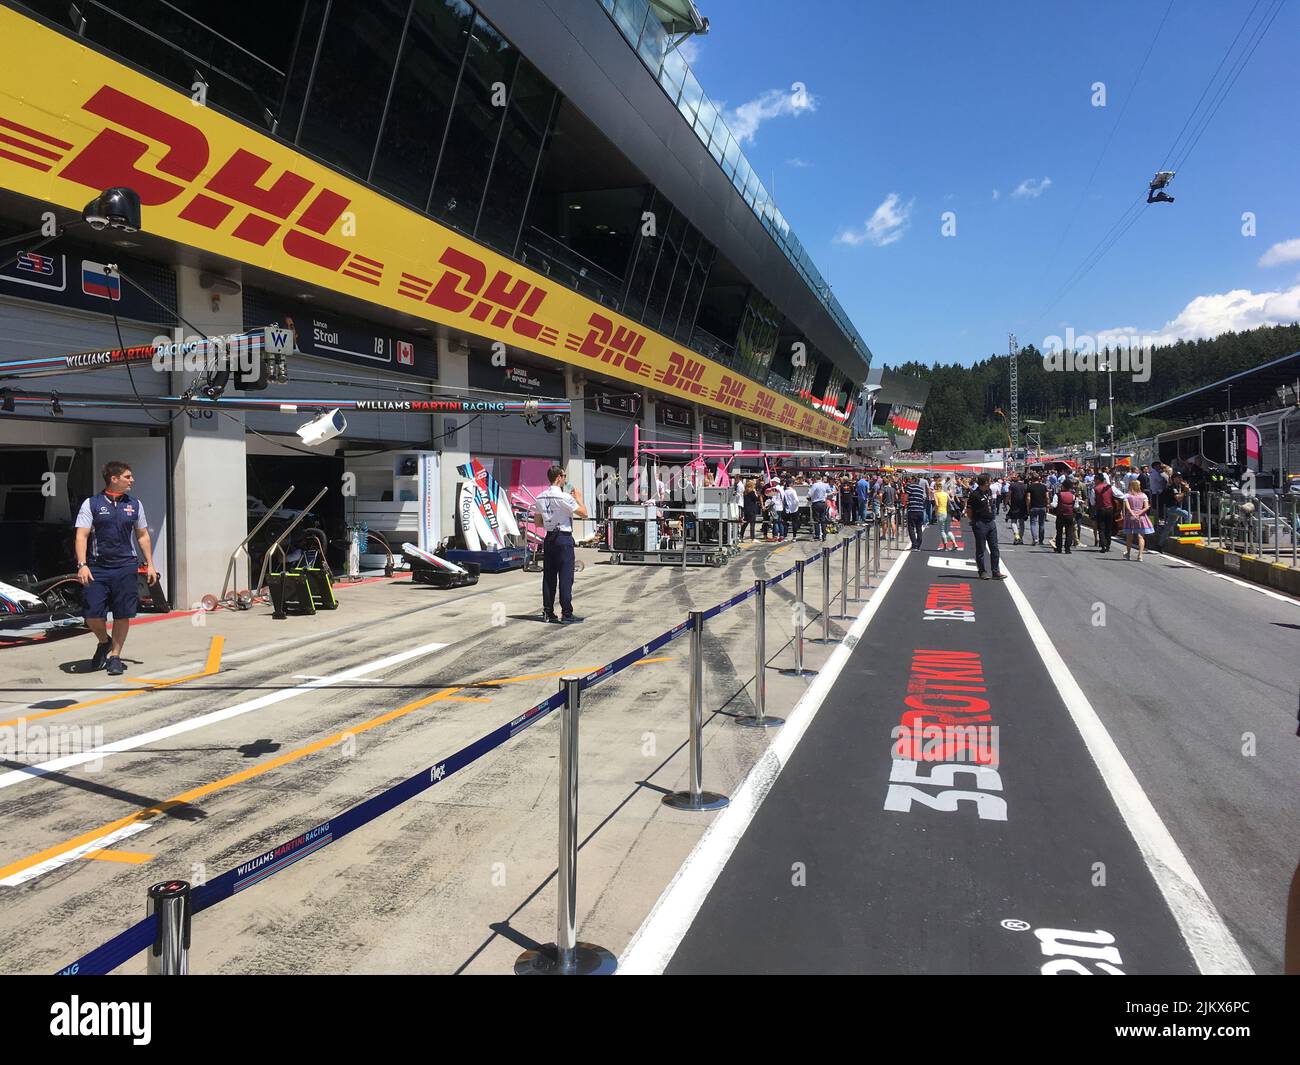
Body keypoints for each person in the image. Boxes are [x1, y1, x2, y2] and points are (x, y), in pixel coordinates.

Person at [75, 460, 158, 675]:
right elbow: (81, 536)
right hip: (97, 568)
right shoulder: (91, 504)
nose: (132, 480)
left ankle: (115, 656)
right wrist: (82, 564)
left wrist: (150, 564)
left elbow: (142, 535)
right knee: (92, 614)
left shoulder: (135, 504)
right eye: (127, 477)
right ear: (114, 479)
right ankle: (104, 642)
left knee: (122, 614)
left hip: (125, 567)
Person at [535, 464, 587, 623]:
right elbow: (584, 514)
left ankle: (548, 612)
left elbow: (538, 522)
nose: (565, 479)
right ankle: (567, 613)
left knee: (549, 577)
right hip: (563, 538)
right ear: (558, 478)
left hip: (549, 537)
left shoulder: (540, 497)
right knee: (565, 576)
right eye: (564, 476)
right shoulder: (565, 497)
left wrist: (551, 521)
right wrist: (578, 497)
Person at [966, 474, 1006, 579]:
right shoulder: (975, 495)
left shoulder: (988, 491)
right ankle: (982, 571)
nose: (991, 482)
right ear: (985, 482)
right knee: (981, 549)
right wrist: (973, 521)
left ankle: (996, 571)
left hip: (990, 522)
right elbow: (969, 510)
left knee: (994, 548)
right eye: (989, 481)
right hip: (980, 523)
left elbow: (991, 503)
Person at [1157, 472, 1192, 550]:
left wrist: (1186, 488)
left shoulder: (1179, 486)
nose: (1180, 479)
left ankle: (1160, 545)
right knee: (1188, 515)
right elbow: (1178, 498)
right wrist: (1185, 491)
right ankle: (1186, 533)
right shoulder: (1172, 487)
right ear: (1173, 479)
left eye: (1180, 477)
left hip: (1175, 508)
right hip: (1171, 508)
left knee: (1168, 528)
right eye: (1177, 477)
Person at [1122, 477, 1154, 561]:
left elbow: (1128, 508)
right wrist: (1139, 513)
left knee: (1129, 536)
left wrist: (1133, 513)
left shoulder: (1127, 495)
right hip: (1141, 516)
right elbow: (1146, 507)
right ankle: (1140, 555)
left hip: (1131, 517)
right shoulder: (1143, 495)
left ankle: (1128, 554)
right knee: (1141, 536)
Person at [1052, 477, 1077, 554]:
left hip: (1060, 515)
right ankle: (1067, 549)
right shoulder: (1073, 495)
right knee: (1069, 532)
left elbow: (1054, 505)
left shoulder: (1058, 495)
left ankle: (1059, 548)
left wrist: (1049, 505)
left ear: (1063, 486)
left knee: (1059, 532)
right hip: (1069, 515)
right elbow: (1076, 506)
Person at [1092, 472, 1115, 553]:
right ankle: (1108, 544)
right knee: (1108, 528)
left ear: (1098, 480)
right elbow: (1120, 495)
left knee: (1101, 528)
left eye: (1095, 479)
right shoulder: (1110, 487)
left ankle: (1103, 545)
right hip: (1109, 509)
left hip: (1100, 509)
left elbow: (1092, 502)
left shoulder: (1095, 489)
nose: (1094, 481)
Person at [934, 479, 957, 550]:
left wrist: (935, 511)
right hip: (948, 513)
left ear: (936, 487)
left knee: (942, 530)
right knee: (948, 530)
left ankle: (945, 546)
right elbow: (951, 501)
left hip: (940, 512)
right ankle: (954, 543)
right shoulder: (946, 493)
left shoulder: (936, 494)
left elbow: (937, 504)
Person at [904, 475, 927, 549]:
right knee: (919, 527)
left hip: (912, 509)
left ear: (914, 480)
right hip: (920, 509)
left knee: (911, 527)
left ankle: (914, 544)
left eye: (910, 479)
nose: (909, 481)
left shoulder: (910, 487)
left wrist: (904, 504)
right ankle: (918, 544)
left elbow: (905, 497)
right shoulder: (920, 489)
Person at [1026, 473, 1049, 545]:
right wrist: (1047, 505)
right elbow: (1047, 497)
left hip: (1034, 506)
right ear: (1039, 479)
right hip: (1042, 507)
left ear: (1032, 479)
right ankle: (1041, 540)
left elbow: (1028, 498)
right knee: (1041, 524)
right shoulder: (1044, 487)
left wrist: (1028, 507)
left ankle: (1035, 539)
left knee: (1033, 523)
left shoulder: (1030, 487)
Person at [1005, 473, 1028, 545]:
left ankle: (1016, 535)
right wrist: (1028, 507)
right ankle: (1020, 539)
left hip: (1014, 505)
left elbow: (1008, 495)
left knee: (1013, 522)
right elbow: (1027, 497)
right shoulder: (1026, 486)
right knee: (1022, 523)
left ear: (1018, 478)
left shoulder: (1013, 485)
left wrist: (1005, 503)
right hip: (1023, 506)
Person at [808, 473, 831, 542]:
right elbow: (829, 491)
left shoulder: (814, 485)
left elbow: (810, 494)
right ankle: (824, 535)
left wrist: (809, 497)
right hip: (823, 503)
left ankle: (817, 535)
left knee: (816, 520)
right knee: (823, 519)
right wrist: (824, 495)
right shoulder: (825, 485)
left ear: (815, 479)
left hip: (816, 503)